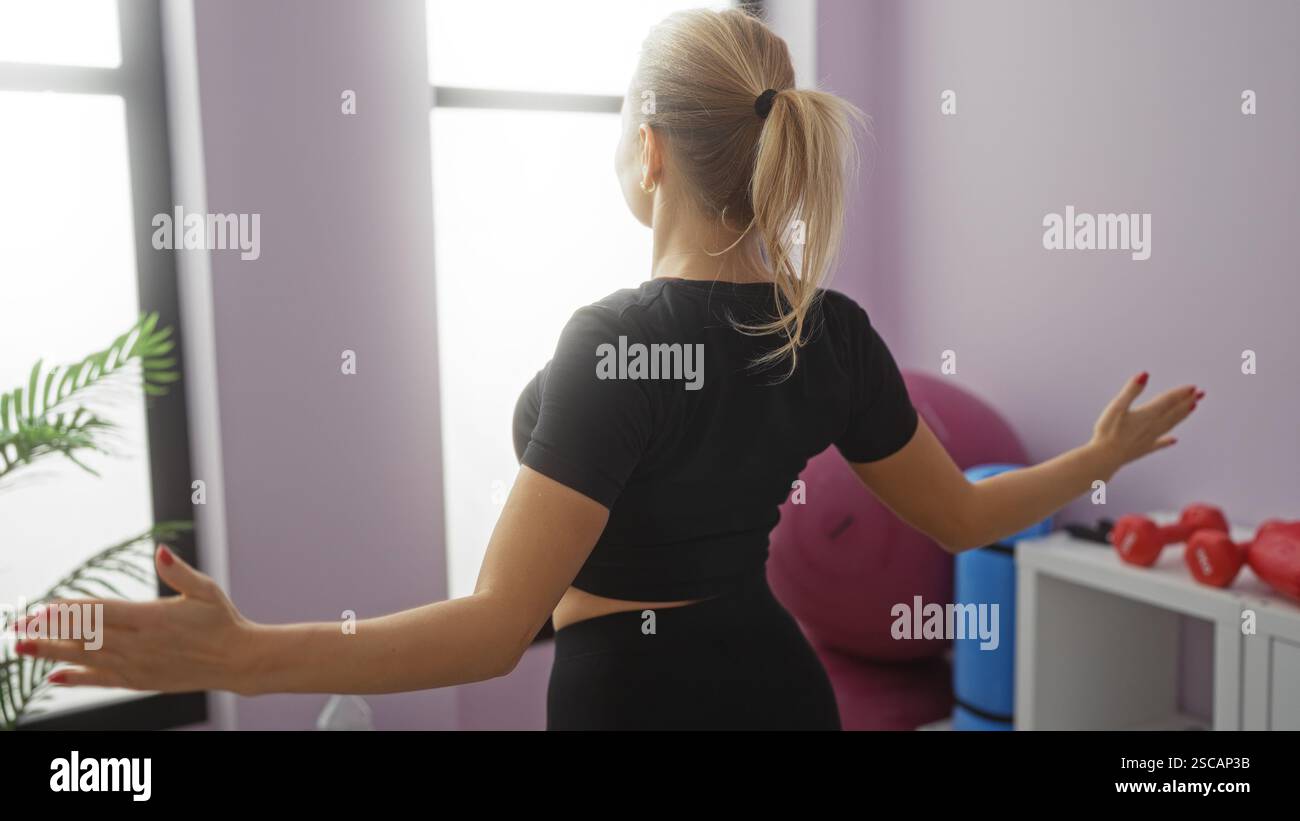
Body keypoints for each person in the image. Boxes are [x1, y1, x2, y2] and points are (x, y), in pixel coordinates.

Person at [15, 8, 1200, 730]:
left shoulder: (612, 344)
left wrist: (244, 654)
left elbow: (493, 630)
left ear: (649, 153)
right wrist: (1097, 459)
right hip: (776, 684)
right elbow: (966, 513)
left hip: (635, 703)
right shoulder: (825, 330)